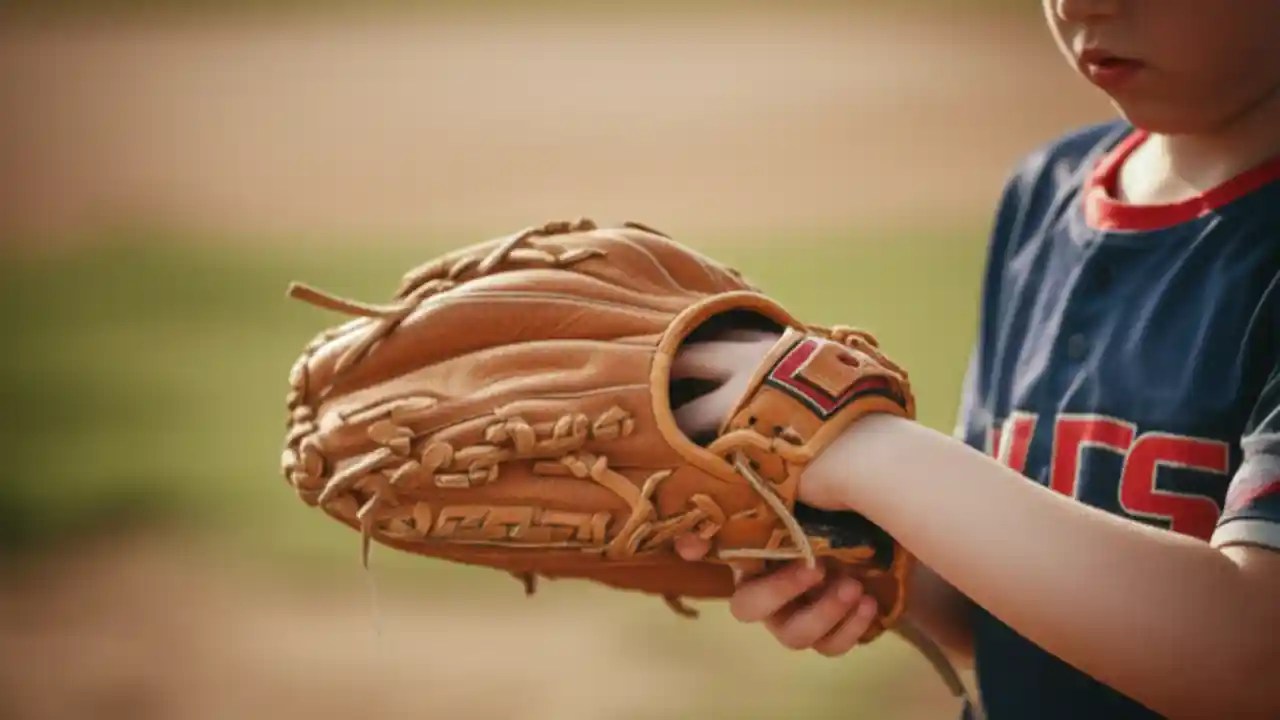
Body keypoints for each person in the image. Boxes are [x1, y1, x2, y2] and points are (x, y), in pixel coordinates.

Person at [670, 2, 1280, 717]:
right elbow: (1002, 619)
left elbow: (1250, 656)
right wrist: (874, 558)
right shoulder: (1046, 193)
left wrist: (865, 451)